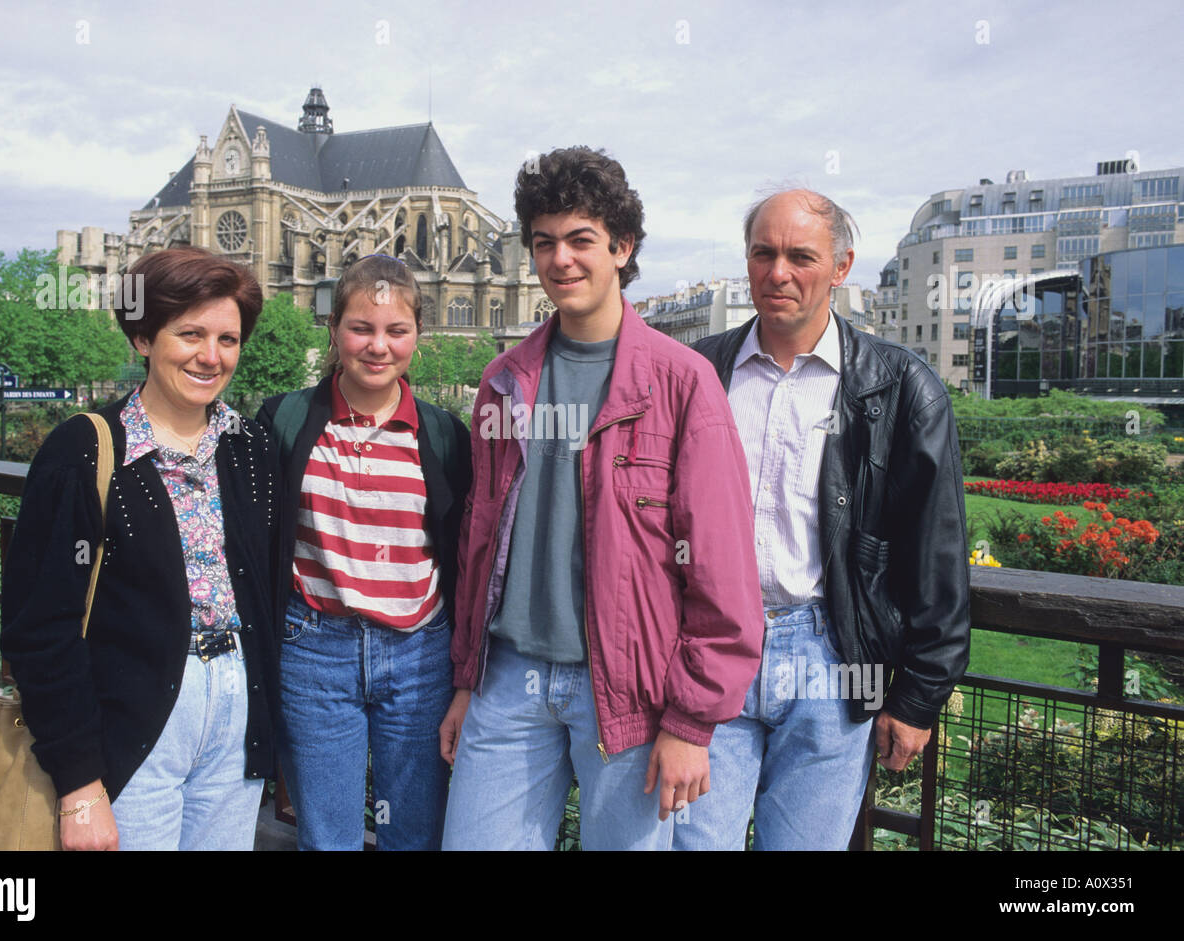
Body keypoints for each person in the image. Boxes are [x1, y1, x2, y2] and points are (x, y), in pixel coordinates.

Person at [439, 147, 763, 851]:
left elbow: (721, 565)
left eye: (581, 240)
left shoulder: (683, 382)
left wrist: (690, 721)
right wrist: (468, 680)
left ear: (622, 247)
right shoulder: (503, 378)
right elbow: (480, 543)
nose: (561, 259)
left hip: (626, 688)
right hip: (508, 679)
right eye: (544, 242)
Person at [674, 188, 971, 851]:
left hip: (830, 657)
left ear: (842, 267)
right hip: (712, 645)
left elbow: (937, 550)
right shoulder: (698, 372)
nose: (778, 272)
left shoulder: (900, 386)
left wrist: (919, 695)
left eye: (800, 256)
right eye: (763, 252)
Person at [1, 246, 277, 851]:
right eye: (191, 334)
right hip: (133, 721)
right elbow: (40, 627)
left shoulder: (247, 445)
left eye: (228, 339)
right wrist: (79, 787)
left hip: (235, 713)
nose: (212, 356)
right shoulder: (83, 450)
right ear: (143, 339)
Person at [257, 254, 471, 851]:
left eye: (396, 331)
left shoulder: (443, 434)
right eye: (361, 328)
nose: (378, 346)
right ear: (333, 331)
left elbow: (464, 552)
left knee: (414, 834)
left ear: (417, 338)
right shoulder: (287, 420)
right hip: (314, 652)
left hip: (419, 656)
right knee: (327, 839)